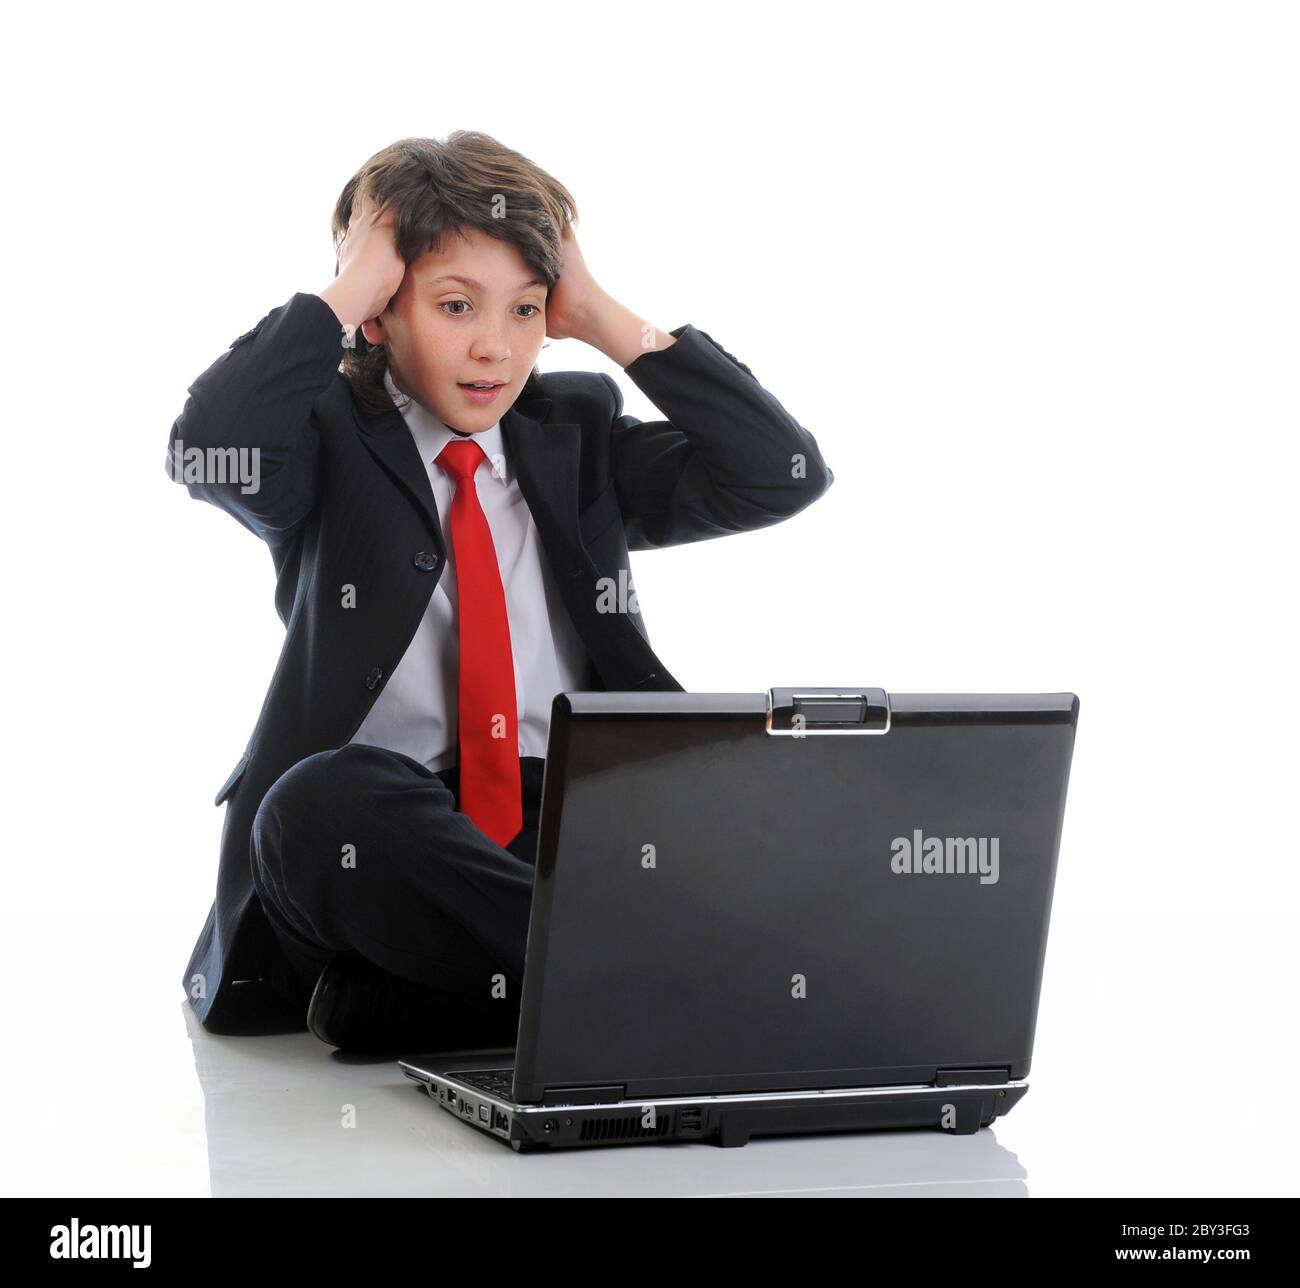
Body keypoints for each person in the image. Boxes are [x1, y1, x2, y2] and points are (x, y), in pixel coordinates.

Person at [168, 131, 834, 1052]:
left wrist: (601, 315)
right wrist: (344, 291)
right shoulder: (324, 441)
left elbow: (781, 473)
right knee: (319, 801)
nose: (495, 347)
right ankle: (678, 976)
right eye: (453, 306)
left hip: (557, 831)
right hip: (387, 844)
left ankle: (456, 1003)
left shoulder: (574, 435)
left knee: (762, 804)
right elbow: (208, 445)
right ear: (380, 311)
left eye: (525, 310)